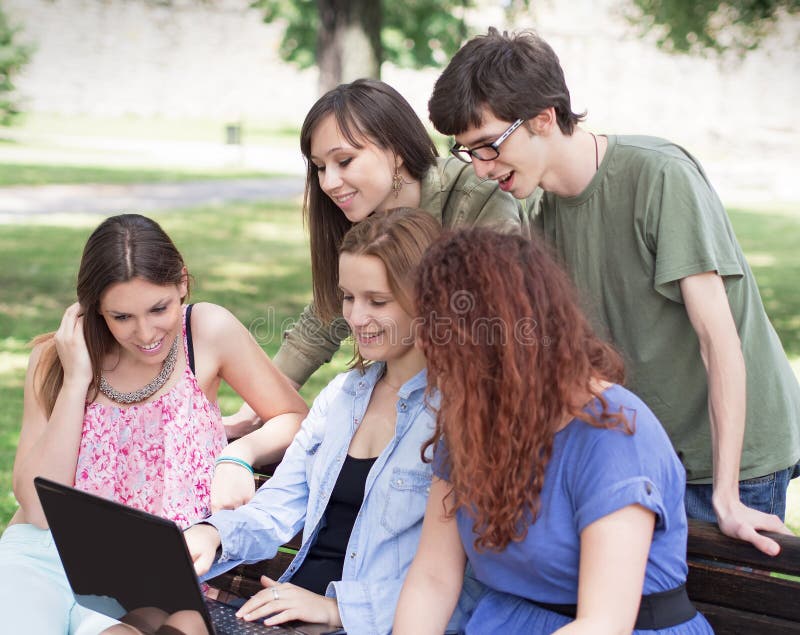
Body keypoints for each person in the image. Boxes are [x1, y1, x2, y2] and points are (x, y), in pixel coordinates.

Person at [426, 28, 800, 555]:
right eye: (469, 152)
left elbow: (719, 341)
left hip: (727, 455)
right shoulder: (537, 214)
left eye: (489, 145)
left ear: (543, 118)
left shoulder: (660, 176)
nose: (483, 168)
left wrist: (727, 494)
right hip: (639, 453)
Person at [0, 213, 308, 634]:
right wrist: (75, 381)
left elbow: (294, 417)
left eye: (159, 308)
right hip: (43, 559)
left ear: (182, 282)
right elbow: (37, 509)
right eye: (121, 316)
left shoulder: (205, 333)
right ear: (93, 309)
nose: (145, 333)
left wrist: (238, 454)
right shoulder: (55, 360)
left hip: (139, 583)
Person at [394, 228, 713, 634]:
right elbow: (433, 578)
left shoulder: (613, 432)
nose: (424, 342)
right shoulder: (473, 417)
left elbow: (604, 623)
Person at [184, 209, 475, 635]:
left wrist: (337, 611)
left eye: (377, 301)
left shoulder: (461, 413)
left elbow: (464, 584)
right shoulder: (343, 395)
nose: (355, 317)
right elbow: (279, 505)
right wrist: (213, 535)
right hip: (285, 615)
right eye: (348, 297)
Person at [224, 78, 535, 438]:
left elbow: (499, 322)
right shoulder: (358, 212)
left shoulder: (474, 197)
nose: (329, 182)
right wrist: (254, 411)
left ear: (396, 150)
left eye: (344, 161)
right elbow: (324, 318)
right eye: (320, 167)